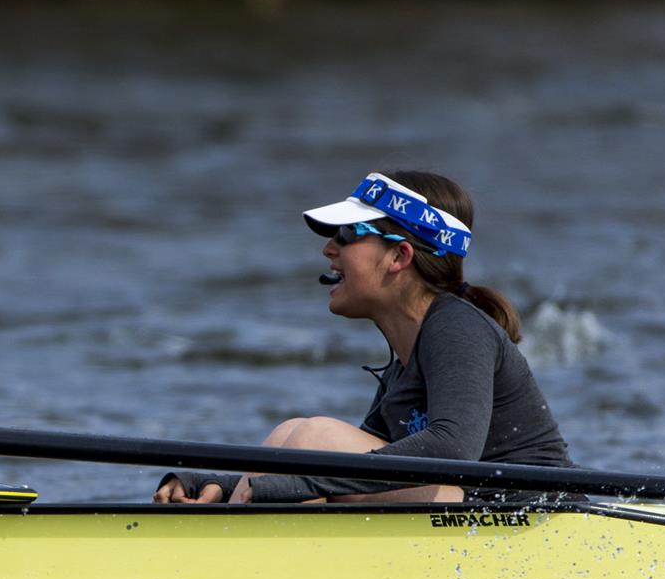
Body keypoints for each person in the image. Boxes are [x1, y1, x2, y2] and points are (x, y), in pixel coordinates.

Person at [153, 170, 573, 505]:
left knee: (316, 438)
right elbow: (367, 466)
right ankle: (227, 518)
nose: (329, 249)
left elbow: (452, 447)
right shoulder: (402, 361)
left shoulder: (457, 327)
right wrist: (216, 485)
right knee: (292, 434)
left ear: (399, 256)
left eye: (348, 235)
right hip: (467, 506)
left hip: (532, 517)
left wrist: (304, 483)